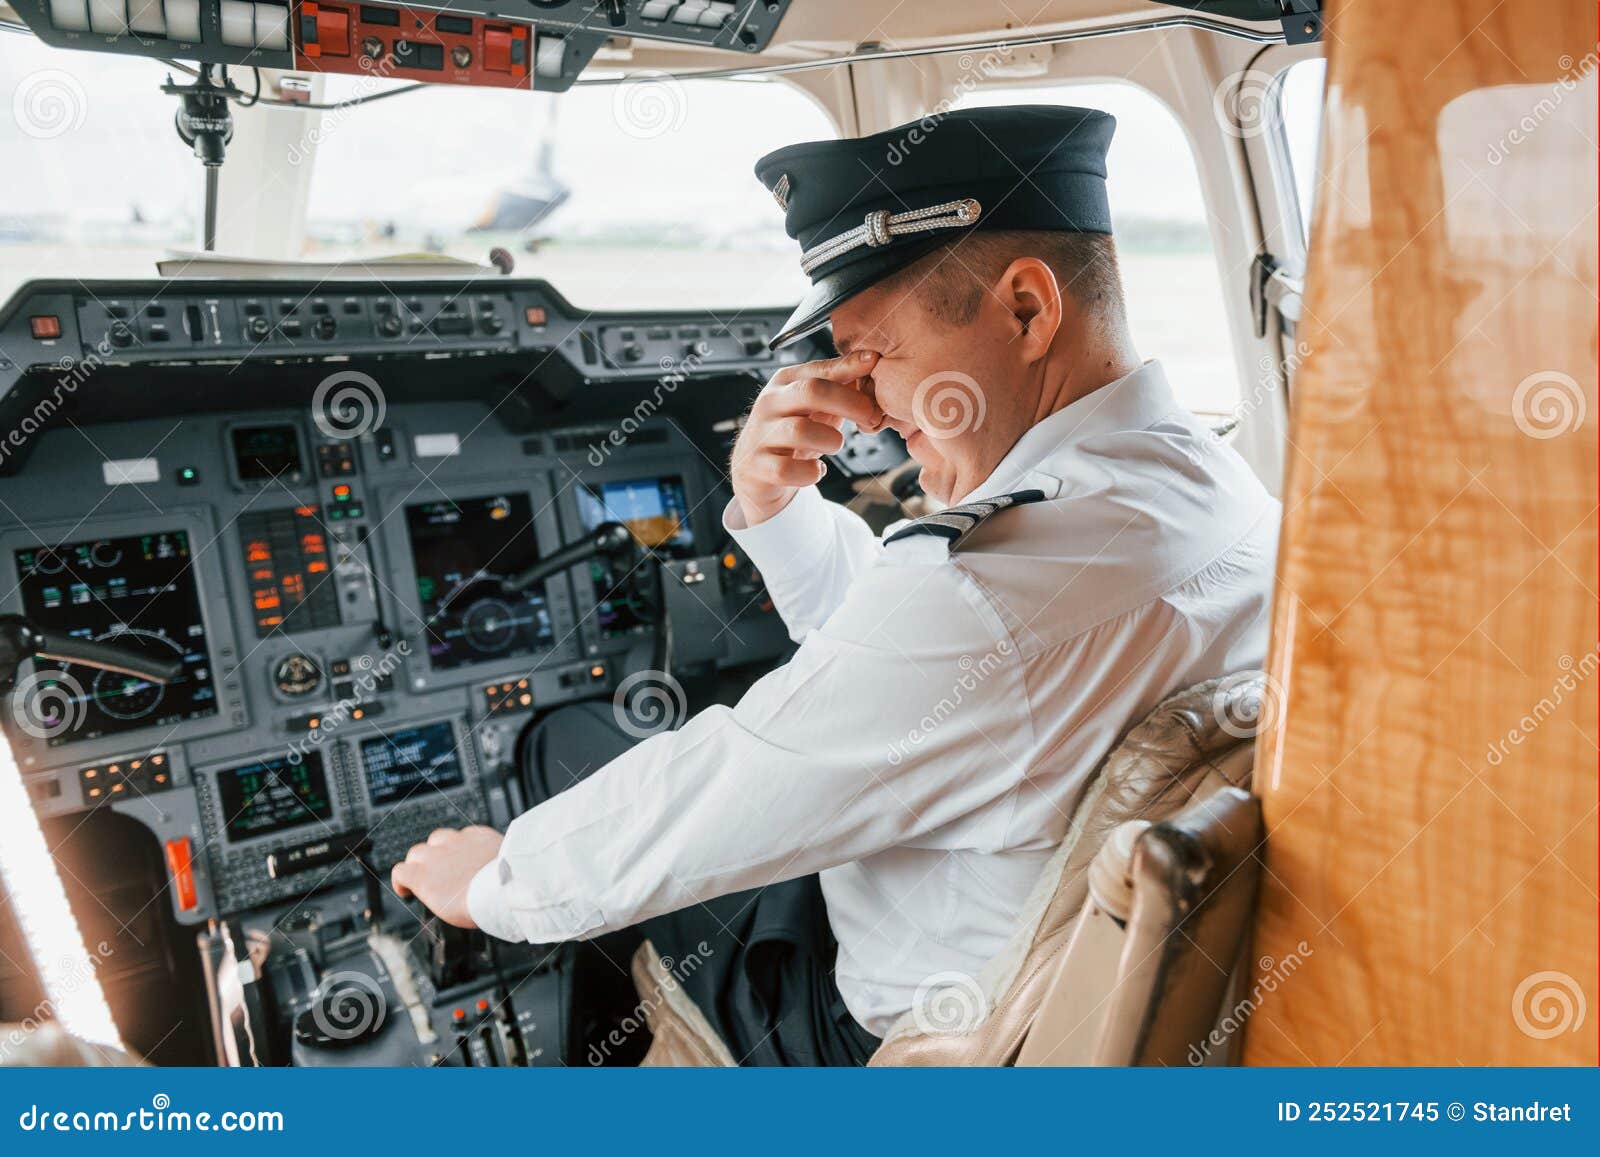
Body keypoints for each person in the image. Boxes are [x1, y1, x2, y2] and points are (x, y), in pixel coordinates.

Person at [392, 105, 1281, 1065]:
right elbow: (925, 678)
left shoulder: (994, 590)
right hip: (1034, 972)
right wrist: (780, 513)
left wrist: (492, 881)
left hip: (878, 1027)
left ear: (1028, 308)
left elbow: (732, 782)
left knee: (571, 747)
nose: (867, 410)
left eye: (876, 356)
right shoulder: (1211, 482)